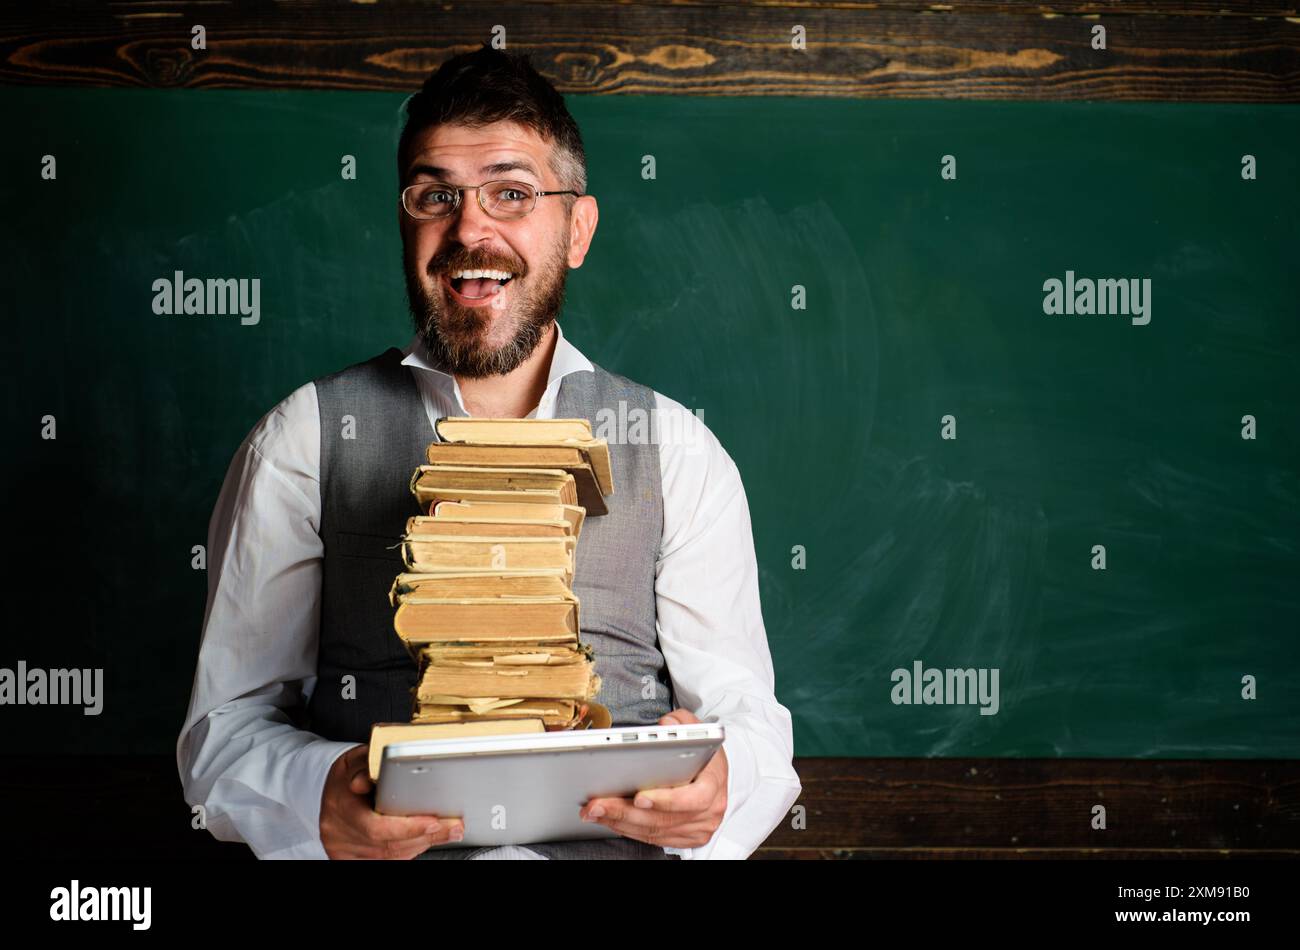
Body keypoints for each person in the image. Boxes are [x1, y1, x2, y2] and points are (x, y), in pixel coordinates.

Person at [177, 43, 800, 860]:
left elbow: (753, 728)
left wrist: (724, 786)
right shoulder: (302, 439)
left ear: (577, 228)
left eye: (512, 192)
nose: (471, 228)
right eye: (437, 195)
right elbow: (222, 733)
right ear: (406, 220)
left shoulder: (680, 451)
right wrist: (317, 794)